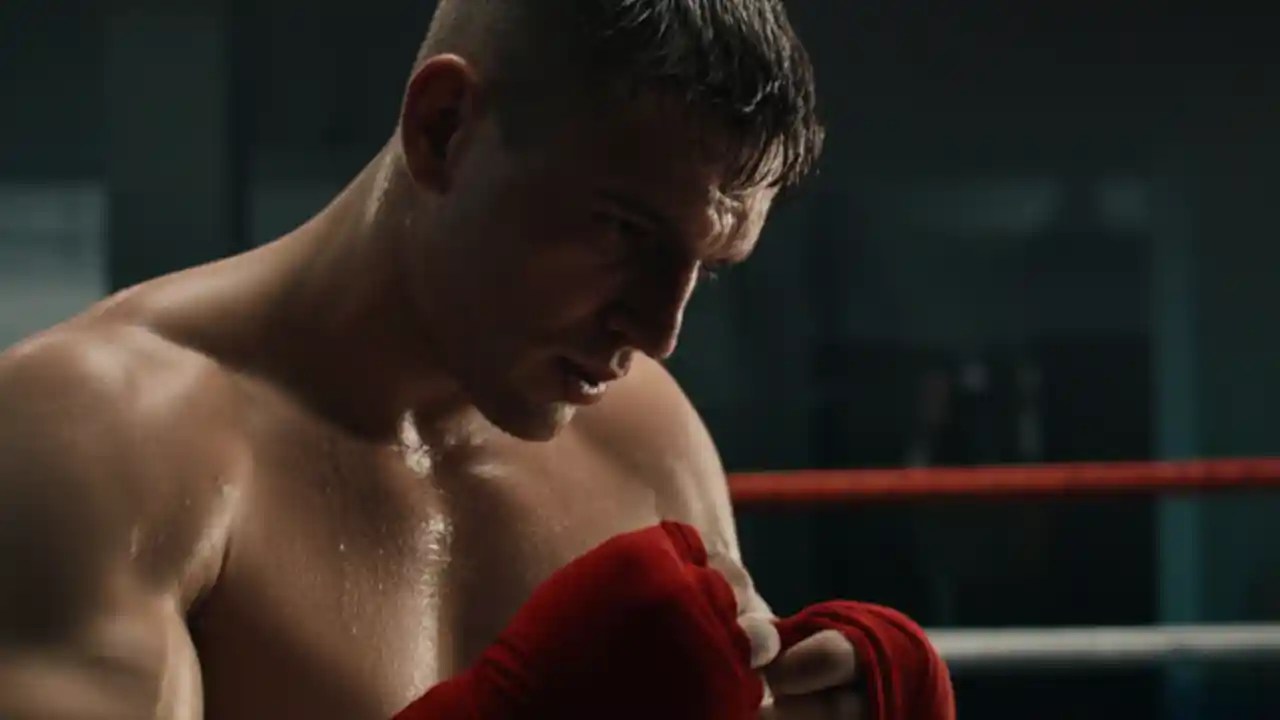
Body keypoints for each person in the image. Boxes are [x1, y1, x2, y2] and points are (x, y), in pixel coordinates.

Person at [0, 2, 950, 718]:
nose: (660, 330)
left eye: (705, 265)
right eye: (622, 232)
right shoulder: (95, 440)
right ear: (445, 128)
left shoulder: (646, 439)